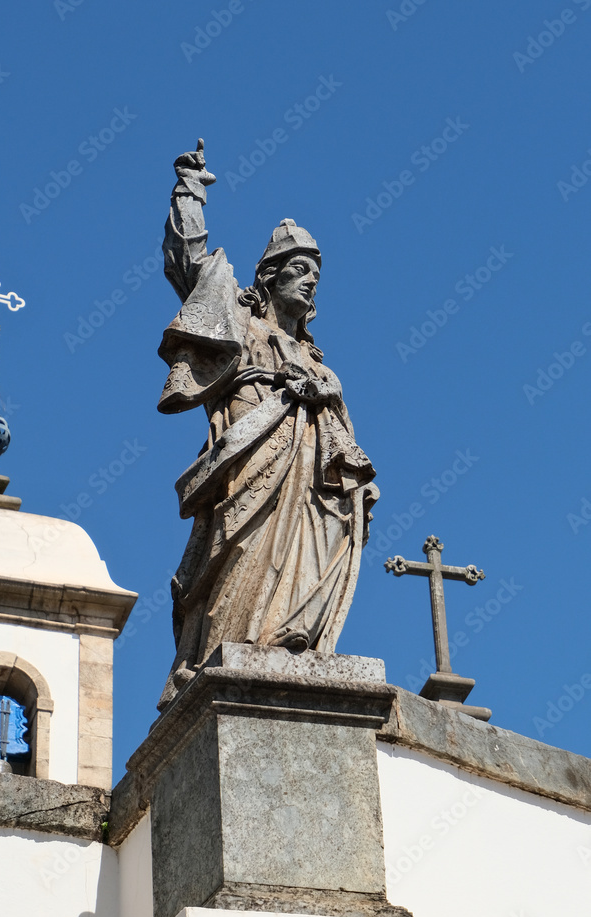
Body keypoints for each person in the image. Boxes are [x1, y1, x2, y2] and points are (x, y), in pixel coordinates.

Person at [156, 139, 378, 711]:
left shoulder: (318, 360)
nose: (310, 282)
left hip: (310, 476)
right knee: (239, 554)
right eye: (300, 271)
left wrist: (326, 394)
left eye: (316, 276)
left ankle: (294, 636)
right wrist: (190, 191)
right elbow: (188, 266)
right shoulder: (241, 321)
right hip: (250, 462)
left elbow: (340, 433)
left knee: (313, 546)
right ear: (271, 275)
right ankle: (222, 651)